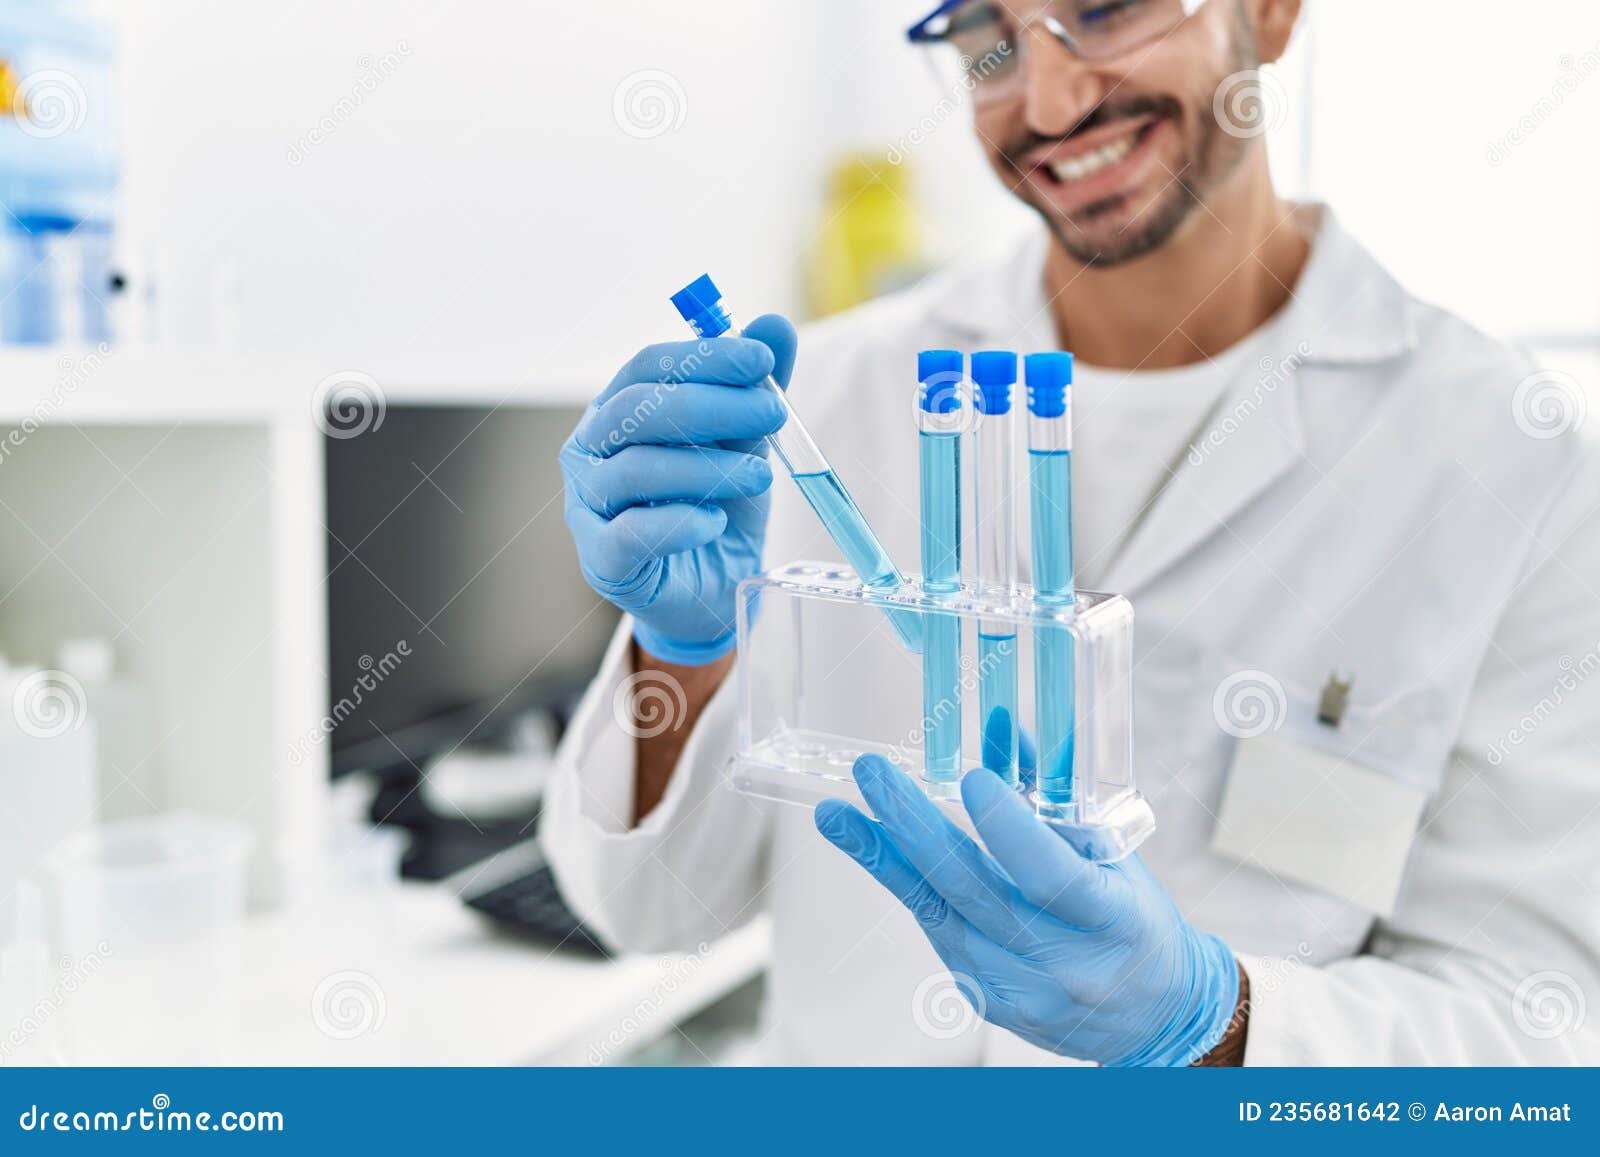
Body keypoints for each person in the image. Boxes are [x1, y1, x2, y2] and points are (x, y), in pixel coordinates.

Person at [550, 0, 1600, 1064]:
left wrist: (1215, 1022)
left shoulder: (1514, 458)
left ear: (1272, 14)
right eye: (987, 41)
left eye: (1105, 7)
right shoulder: (822, 400)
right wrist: (683, 655)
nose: (1050, 102)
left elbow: (1543, 1027)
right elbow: (648, 909)